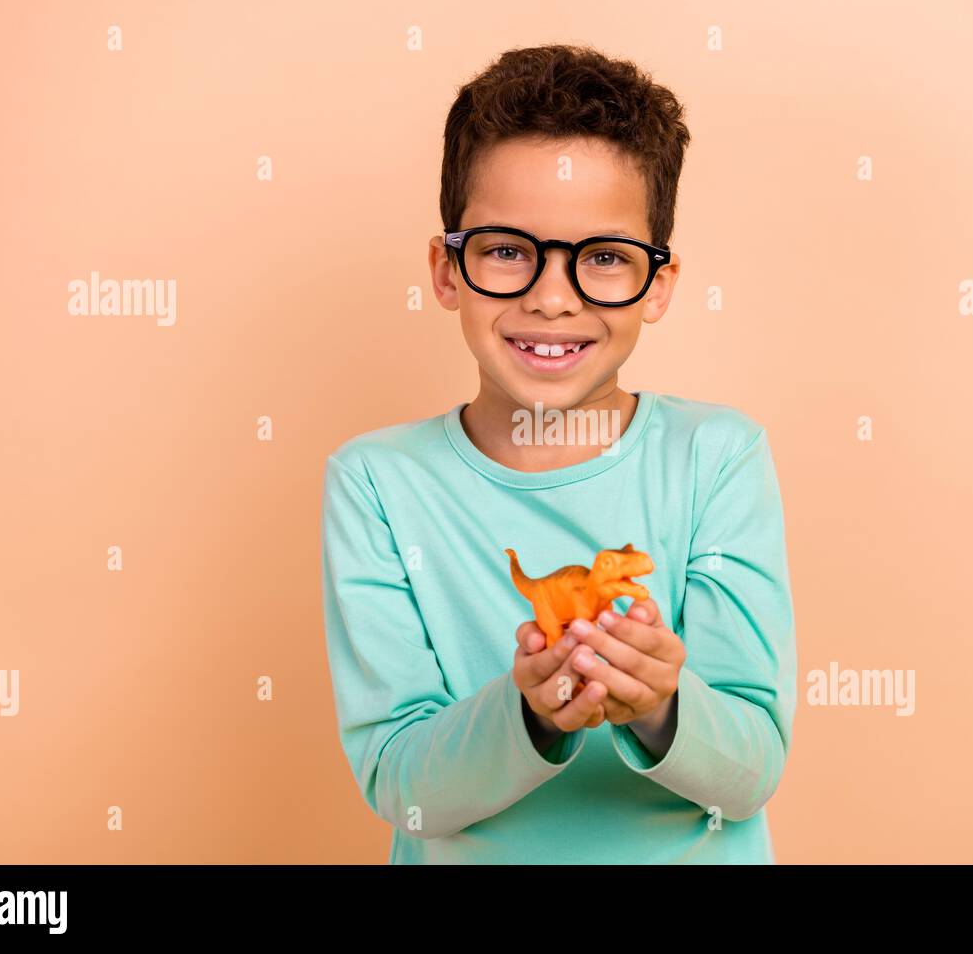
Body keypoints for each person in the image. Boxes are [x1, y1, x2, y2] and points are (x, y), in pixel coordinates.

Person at [321, 43, 797, 863]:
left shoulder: (717, 459)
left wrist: (661, 704)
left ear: (659, 284)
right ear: (446, 270)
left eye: (604, 258)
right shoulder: (375, 483)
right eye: (507, 249)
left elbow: (751, 769)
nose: (552, 297)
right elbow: (404, 789)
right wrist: (529, 716)